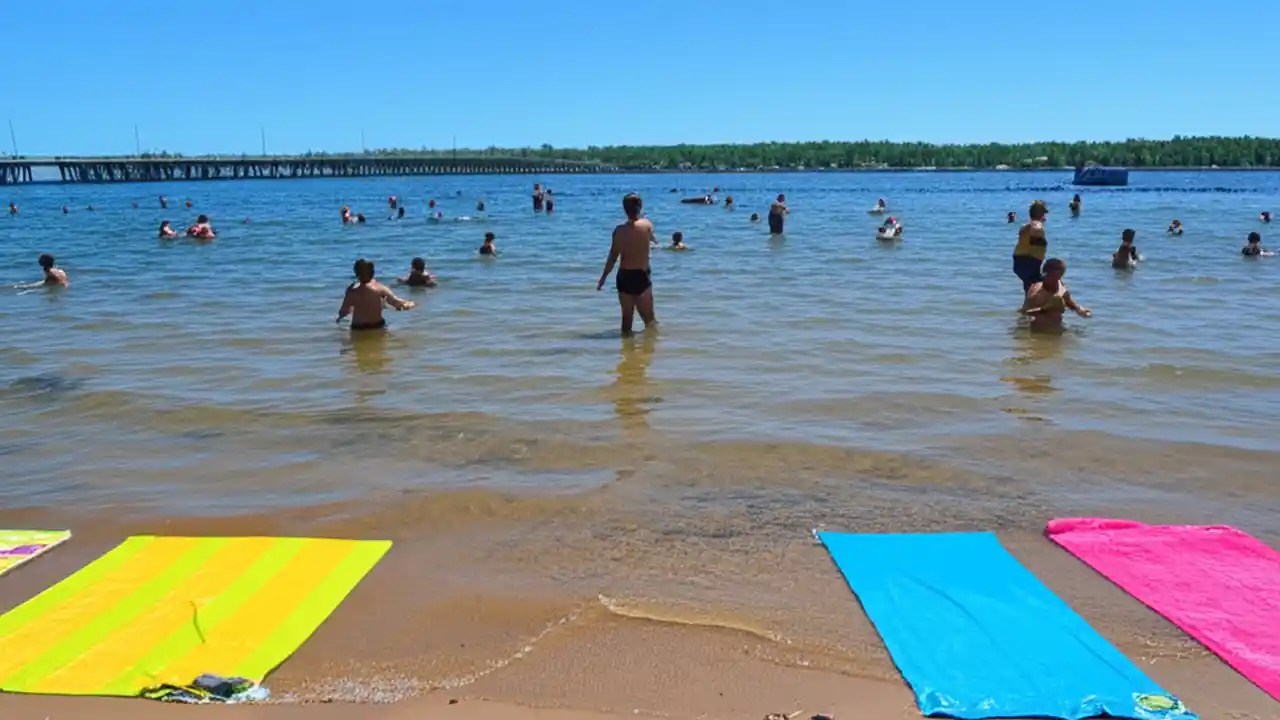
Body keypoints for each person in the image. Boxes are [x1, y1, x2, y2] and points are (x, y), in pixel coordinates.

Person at [597, 193, 657, 336]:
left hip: (624, 276)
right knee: (650, 320)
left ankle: (626, 353)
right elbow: (654, 241)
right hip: (641, 275)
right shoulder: (647, 225)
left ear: (624, 209)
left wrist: (603, 278)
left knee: (626, 320)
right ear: (640, 207)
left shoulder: (619, 231)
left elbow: (612, 257)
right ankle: (649, 349)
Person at [337, 259, 415, 330]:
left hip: (358, 327)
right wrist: (409, 304)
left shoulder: (351, 291)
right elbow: (396, 302)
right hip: (377, 326)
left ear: (356, 273)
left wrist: (348, 311)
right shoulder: (379, 288)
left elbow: (343, 312)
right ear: (372, 272)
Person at [1021, 258, 1090, 332]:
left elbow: (1069, 302)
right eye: (1058, 274)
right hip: (1038, 332)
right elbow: (1027, 312)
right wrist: (1044, 309)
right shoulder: (1036, 290)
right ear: (1047, 273)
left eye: (1061, 275)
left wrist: (1079, 310)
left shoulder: (1060, 287)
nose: (1059, 278)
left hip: (1057, 329)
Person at [1012, 200, 1049, 291]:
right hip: (1029, 263)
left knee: (1030, 288)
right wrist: (1036, 243)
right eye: (1044, 213)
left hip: (1019, 263)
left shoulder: (1024, 227)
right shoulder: (1037, 225)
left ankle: (1030, 303)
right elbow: (1036, 229)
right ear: (1041, 214)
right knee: (1055, 272)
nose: (1045, 216)